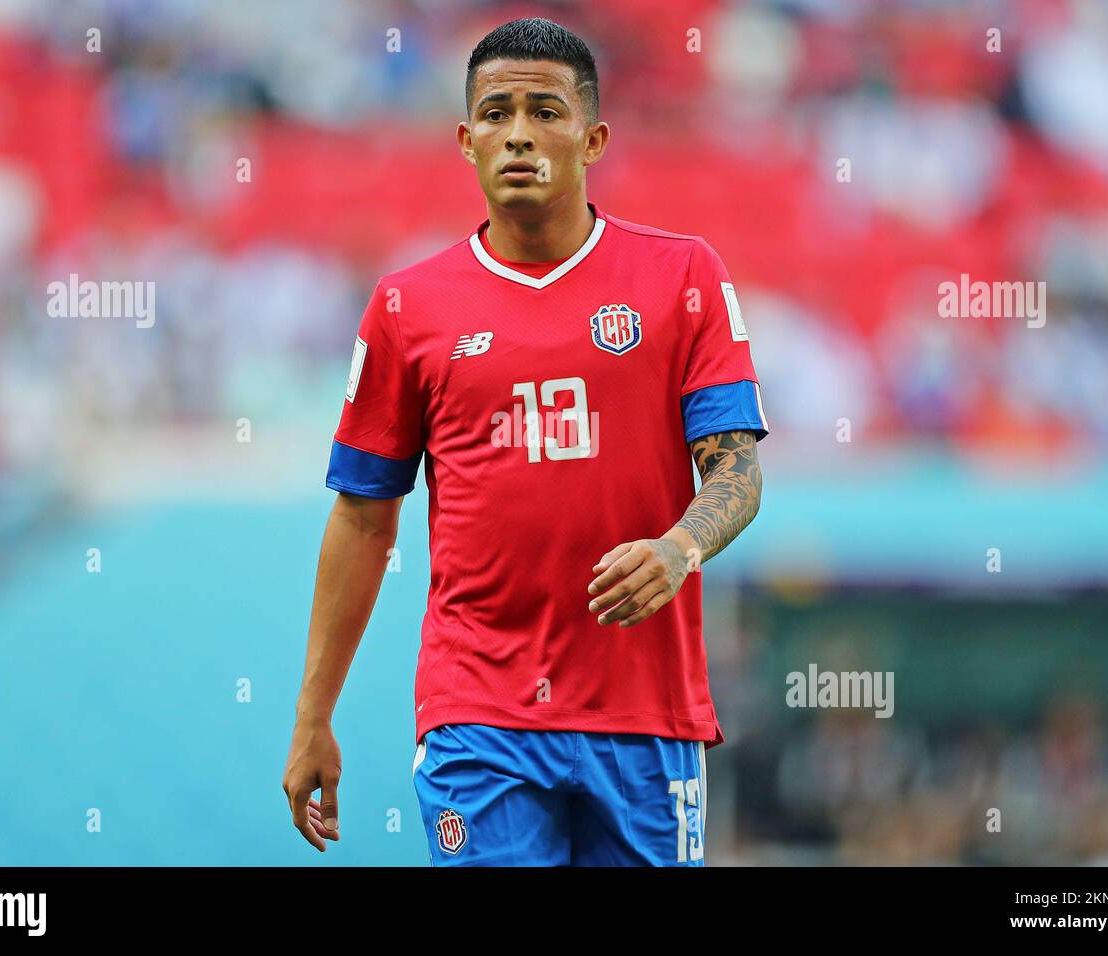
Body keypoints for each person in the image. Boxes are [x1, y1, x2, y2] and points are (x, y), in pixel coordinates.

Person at [283, 16, 768, 866]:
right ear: (466, 141)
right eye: (497, 113)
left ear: (594, 136)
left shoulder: (684, 276)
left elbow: (737, 469)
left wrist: (679, 547)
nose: (519, 134)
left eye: (545, 111)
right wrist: (312, 715)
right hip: (480, 714)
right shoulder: (407, 308)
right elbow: (363, 518)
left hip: (644, 712)